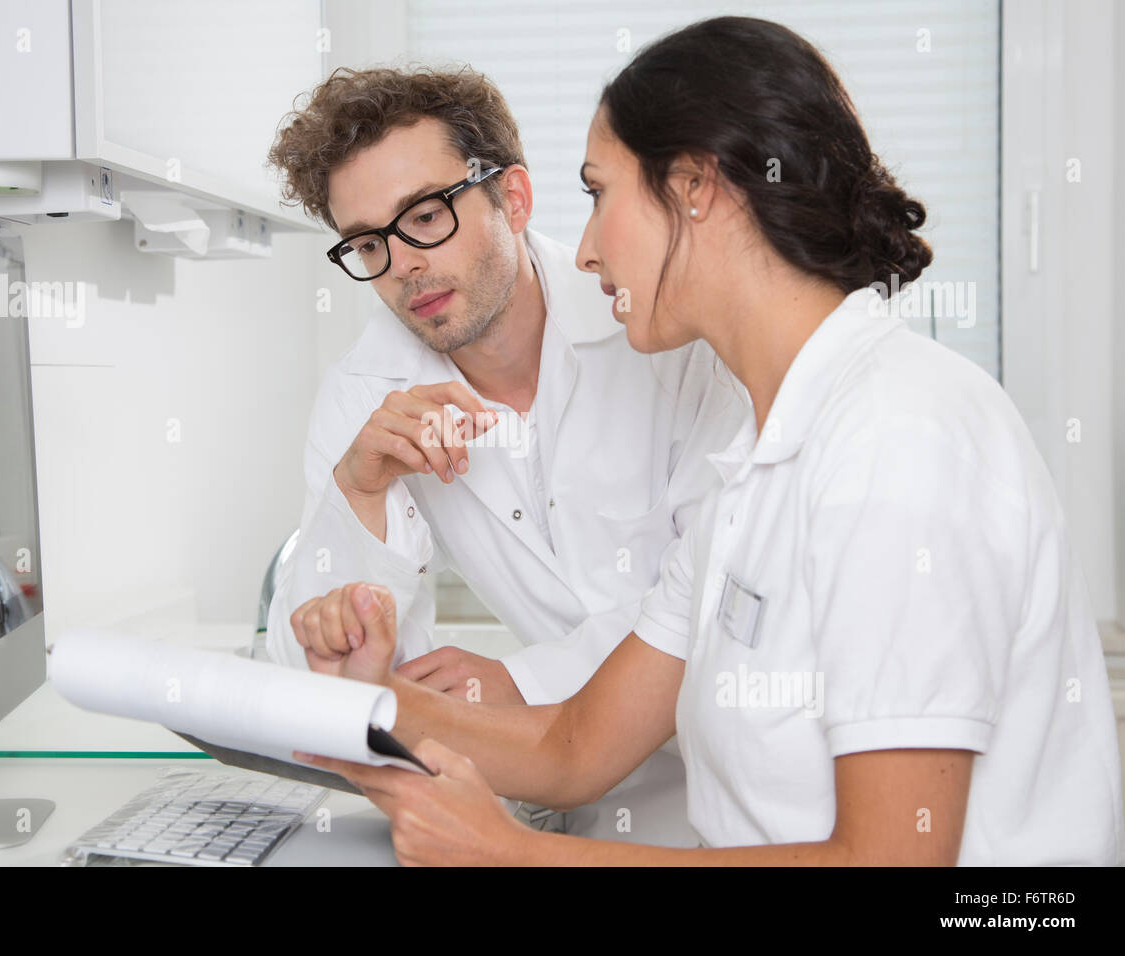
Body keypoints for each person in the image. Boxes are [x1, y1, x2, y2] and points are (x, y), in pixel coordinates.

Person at [290, 17, 1124, 865]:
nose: (581, 250)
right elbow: (576, 747)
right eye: (366, 244)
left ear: (697, 188)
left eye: (599, 193)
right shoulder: (753, 463)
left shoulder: (901, 437)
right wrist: (365, 702)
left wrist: (517, 855)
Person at [262, 66, 744, 705]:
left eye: (427, 215)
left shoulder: (662, 331)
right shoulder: (363, 394)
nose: (402, 264)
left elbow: (723, 591)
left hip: (720, 761)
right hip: (562, 777)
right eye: (368, 244)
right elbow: (315, 676)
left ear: (512, 199)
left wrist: (523, 680)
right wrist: (358, 491)